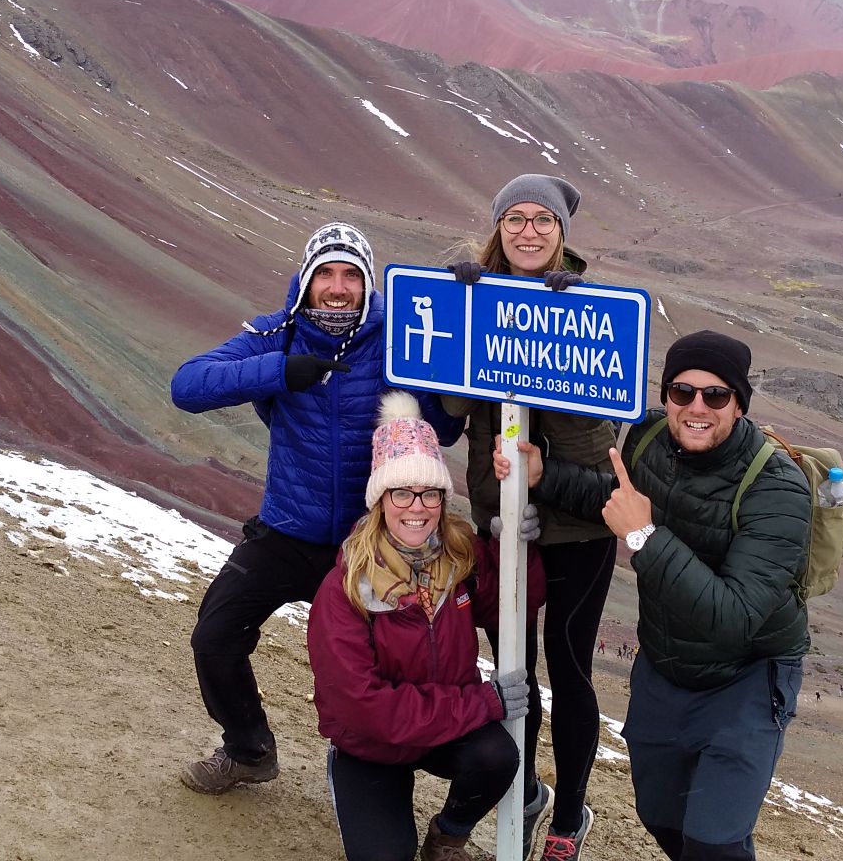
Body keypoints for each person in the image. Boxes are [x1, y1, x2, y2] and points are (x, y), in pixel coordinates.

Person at [171, 223, 462, 794]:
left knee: (389, 670)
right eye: (324, 273)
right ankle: (248, 749)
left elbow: (447, 427)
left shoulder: (400, 340)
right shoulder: (278, 336)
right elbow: (189, 385)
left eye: (350, 274)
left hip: (370, 544)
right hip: (285, 530)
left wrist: (452, 380)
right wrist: (281, 372)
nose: (336, 287)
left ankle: (377, 777)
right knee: (216, 636)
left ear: (368, 284)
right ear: (305, 281)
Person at [499, 330, 810, 861]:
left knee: (713, 841)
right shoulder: (649, 441)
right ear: (665, 395)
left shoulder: (778, 488)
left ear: (739, 404)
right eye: (681, 392)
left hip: (747, 678)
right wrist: (545, 474)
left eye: (716, 396)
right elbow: (616, 498)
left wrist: (644, 538)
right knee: (661, 816)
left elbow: (734, 616)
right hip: (666, 668)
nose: (696, 407)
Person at [443, 172, 614, 860]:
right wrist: (458, 306)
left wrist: (562, 329)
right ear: (498, 226)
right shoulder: (473, 294)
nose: (528, 231)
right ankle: (525, 791)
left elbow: (605, 433)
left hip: (577, 527)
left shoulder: (591, 308)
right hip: (499, 518)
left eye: (543, 218)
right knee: (512, 668)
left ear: (563, 233)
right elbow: (453, 411)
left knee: (568, 672)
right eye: (514, 217)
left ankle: (569, 816)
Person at [309, 393, 544, 861]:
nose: (416, 507)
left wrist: (515, 551)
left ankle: (448, 836)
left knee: (497, 757)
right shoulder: (345, 590)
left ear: (442, 498)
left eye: (430, 493)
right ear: (380, 500)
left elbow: (511, 607)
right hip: (370, 743)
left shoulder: (459, 555)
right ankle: (353, 784)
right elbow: (364, 708)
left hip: (442, 728)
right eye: (401, 492)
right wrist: (480, 702)